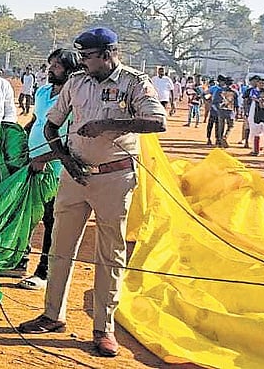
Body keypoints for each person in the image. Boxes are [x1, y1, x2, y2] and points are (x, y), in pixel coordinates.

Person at [17, 27, 165, 358]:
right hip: (75, 175)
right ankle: (52, 315)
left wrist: (110, 125)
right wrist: (65, 159)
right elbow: (51, 124)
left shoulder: (133, 82)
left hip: (115, 179)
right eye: (81, 56)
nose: (82, 62)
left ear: (109, 53)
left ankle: (103, 328)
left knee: (109, 253)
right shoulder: (76, 82)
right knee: (60, 248)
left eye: (87, 56)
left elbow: (158, 121)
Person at [16, 48, 81, 291]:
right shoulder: (43, 91)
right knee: (28, 215)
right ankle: (19, 260)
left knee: (52, 220)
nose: (51, 69)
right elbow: (36, 121)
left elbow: (70, 137)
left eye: (56, 65)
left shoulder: (75, 97)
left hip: (56, 168)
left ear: (70, 69)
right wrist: (20, 141)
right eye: (50, 64)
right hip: (33, 164)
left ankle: (43, 272)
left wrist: (47, 157)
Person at [210, 76, 239, 148]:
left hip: (221, 111)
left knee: (221, 127)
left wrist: (218, 109)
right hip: (230, 111)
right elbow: (236, 103)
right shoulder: (235, 92)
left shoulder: (219, 90)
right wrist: (237, 112)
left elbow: (215, 101)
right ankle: (225, 137)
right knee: (230, 126)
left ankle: (220, 142)